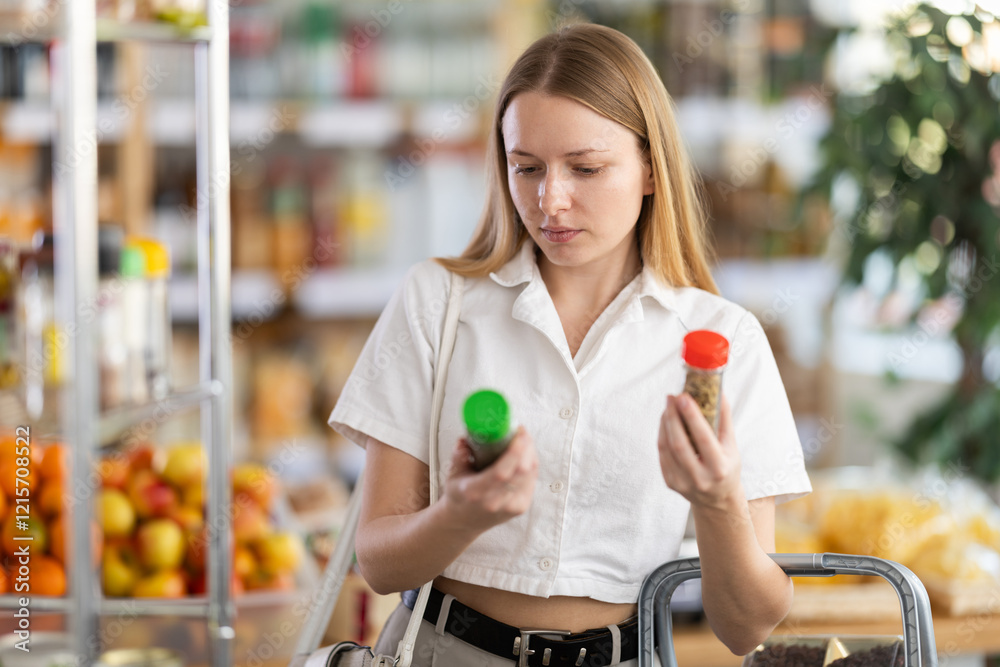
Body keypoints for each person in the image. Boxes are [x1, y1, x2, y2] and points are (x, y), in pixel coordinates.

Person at [328, 21, 811, 667]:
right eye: (525, 167)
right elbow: (379, 562)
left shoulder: (724, 340)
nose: (549, 200)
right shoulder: (437, 301)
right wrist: (461, 515)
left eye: (585, 168)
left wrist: (717, 500)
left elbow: (746, 627)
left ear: (649, 167)